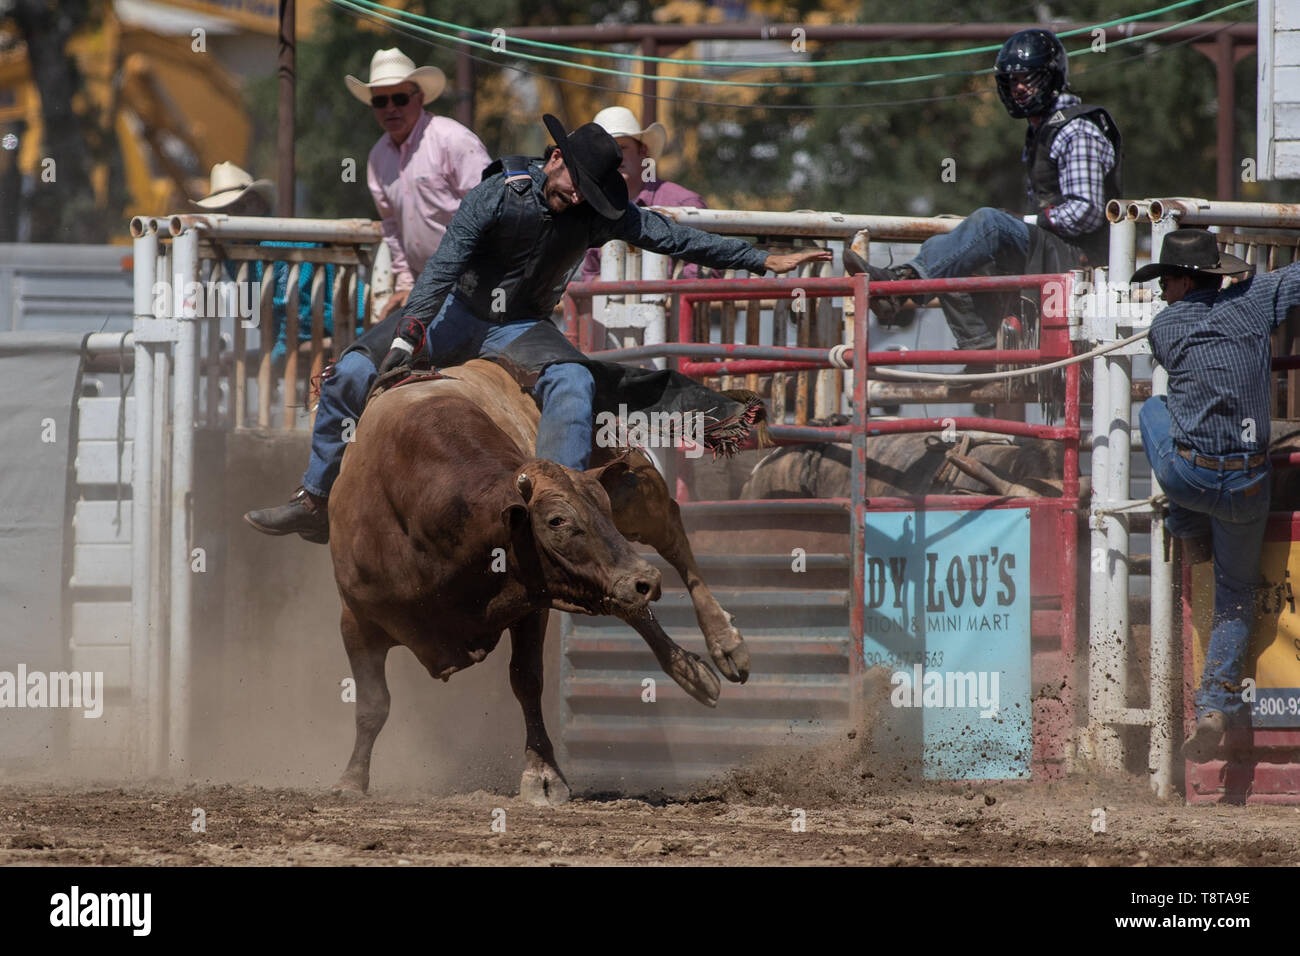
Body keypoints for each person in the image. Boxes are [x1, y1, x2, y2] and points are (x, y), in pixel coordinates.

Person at [244, 114, 830, 542]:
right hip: (457, 313)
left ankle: (560, 503)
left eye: (589, 191)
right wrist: (408, 337)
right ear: (554, 158)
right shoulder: (497, 196)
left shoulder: (598, 213)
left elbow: (675, 235)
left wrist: (761, 259)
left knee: (573, 381)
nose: (577, 195)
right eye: (573, 180)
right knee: (349, 372)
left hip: (520, 325)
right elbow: (444, 269)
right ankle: (315, 495)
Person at [846, 28, 1121, 351]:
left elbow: (1086, 212)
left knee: (987, 223)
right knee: (948, 248)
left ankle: (898, 287)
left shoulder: (1076, 130)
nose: (1018, 88)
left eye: (1027, 79)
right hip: (1051, 251)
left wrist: (1025, 221)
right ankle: (978, 344)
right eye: (1011, 81)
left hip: (1081, 258)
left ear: (1049, 77)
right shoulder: (1043, 130)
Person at [1134, 228, 1300, 762]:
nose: (1161, 291)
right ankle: (1213, 704)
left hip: (1192, 477)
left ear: (1184, 280)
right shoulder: (1253, 303)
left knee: (1153, 410)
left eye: (1165, 280)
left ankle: (1188, 533)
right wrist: (1253, 290)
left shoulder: (1165, 328)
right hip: (1250, 481)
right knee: (1235, 596)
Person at [347, 47, 491, 321]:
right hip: (426, 287)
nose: (390, 108)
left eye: (399, 98)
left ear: (419, 98)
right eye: (381, 102)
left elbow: (491, 211)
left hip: (474, 281)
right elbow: (391, 225)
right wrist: (404, 282)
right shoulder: (378, 157)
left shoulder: (454, 140)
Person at [191, 162, 364, 363]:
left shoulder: (277, 246)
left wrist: (277, 354)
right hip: (313, 336)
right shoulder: (234, 253)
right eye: (223, 211)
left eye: (238, 207)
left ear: (259, 204)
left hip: (349, 330)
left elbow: (296, 308)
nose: (230, 216)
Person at [579, 106, 707, 282]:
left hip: (669, 309)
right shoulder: (593, 208)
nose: (615, 157)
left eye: (622, 147)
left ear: (643, 151)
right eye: (606, 150)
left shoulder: (683, 203)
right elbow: (589, 276)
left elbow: (700, 276)